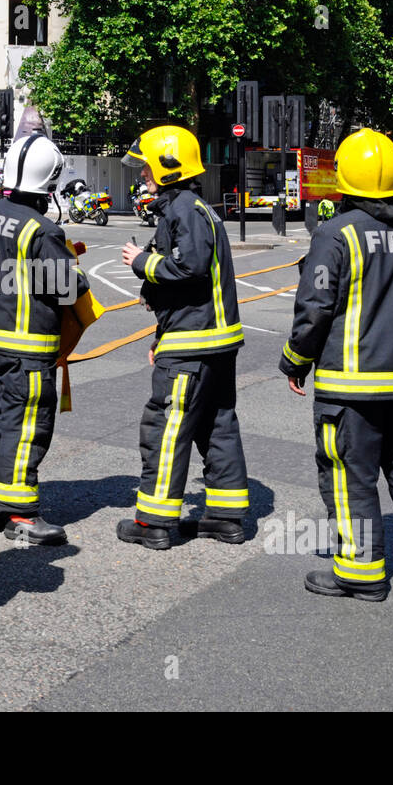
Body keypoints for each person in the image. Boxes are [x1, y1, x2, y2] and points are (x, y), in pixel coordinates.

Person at [279, 128, 393, 601]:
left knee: (350, 479)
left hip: (350, 396)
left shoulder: (334, 235)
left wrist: (295, 360)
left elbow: (315, 308)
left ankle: (361, 575)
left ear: (344, 180)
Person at [117, 125, 250, 549]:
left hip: (191, 347)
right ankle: (224, 518)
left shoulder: (184, 210)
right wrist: (161, 334)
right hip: (211, 345)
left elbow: (188, 267)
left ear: (168, 168)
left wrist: (142, 262)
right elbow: (192, 281)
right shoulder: (195, 208)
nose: (143, 176)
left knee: (166, 428)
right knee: (216, 426)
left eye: (147, 169)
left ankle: (152, 523)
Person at [0, 133, 89, 546]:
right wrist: (77, 272)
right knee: (28, 426)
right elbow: (64, 289)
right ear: (49, 182)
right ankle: (20, 513)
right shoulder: (42, 229)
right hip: (28, 346)